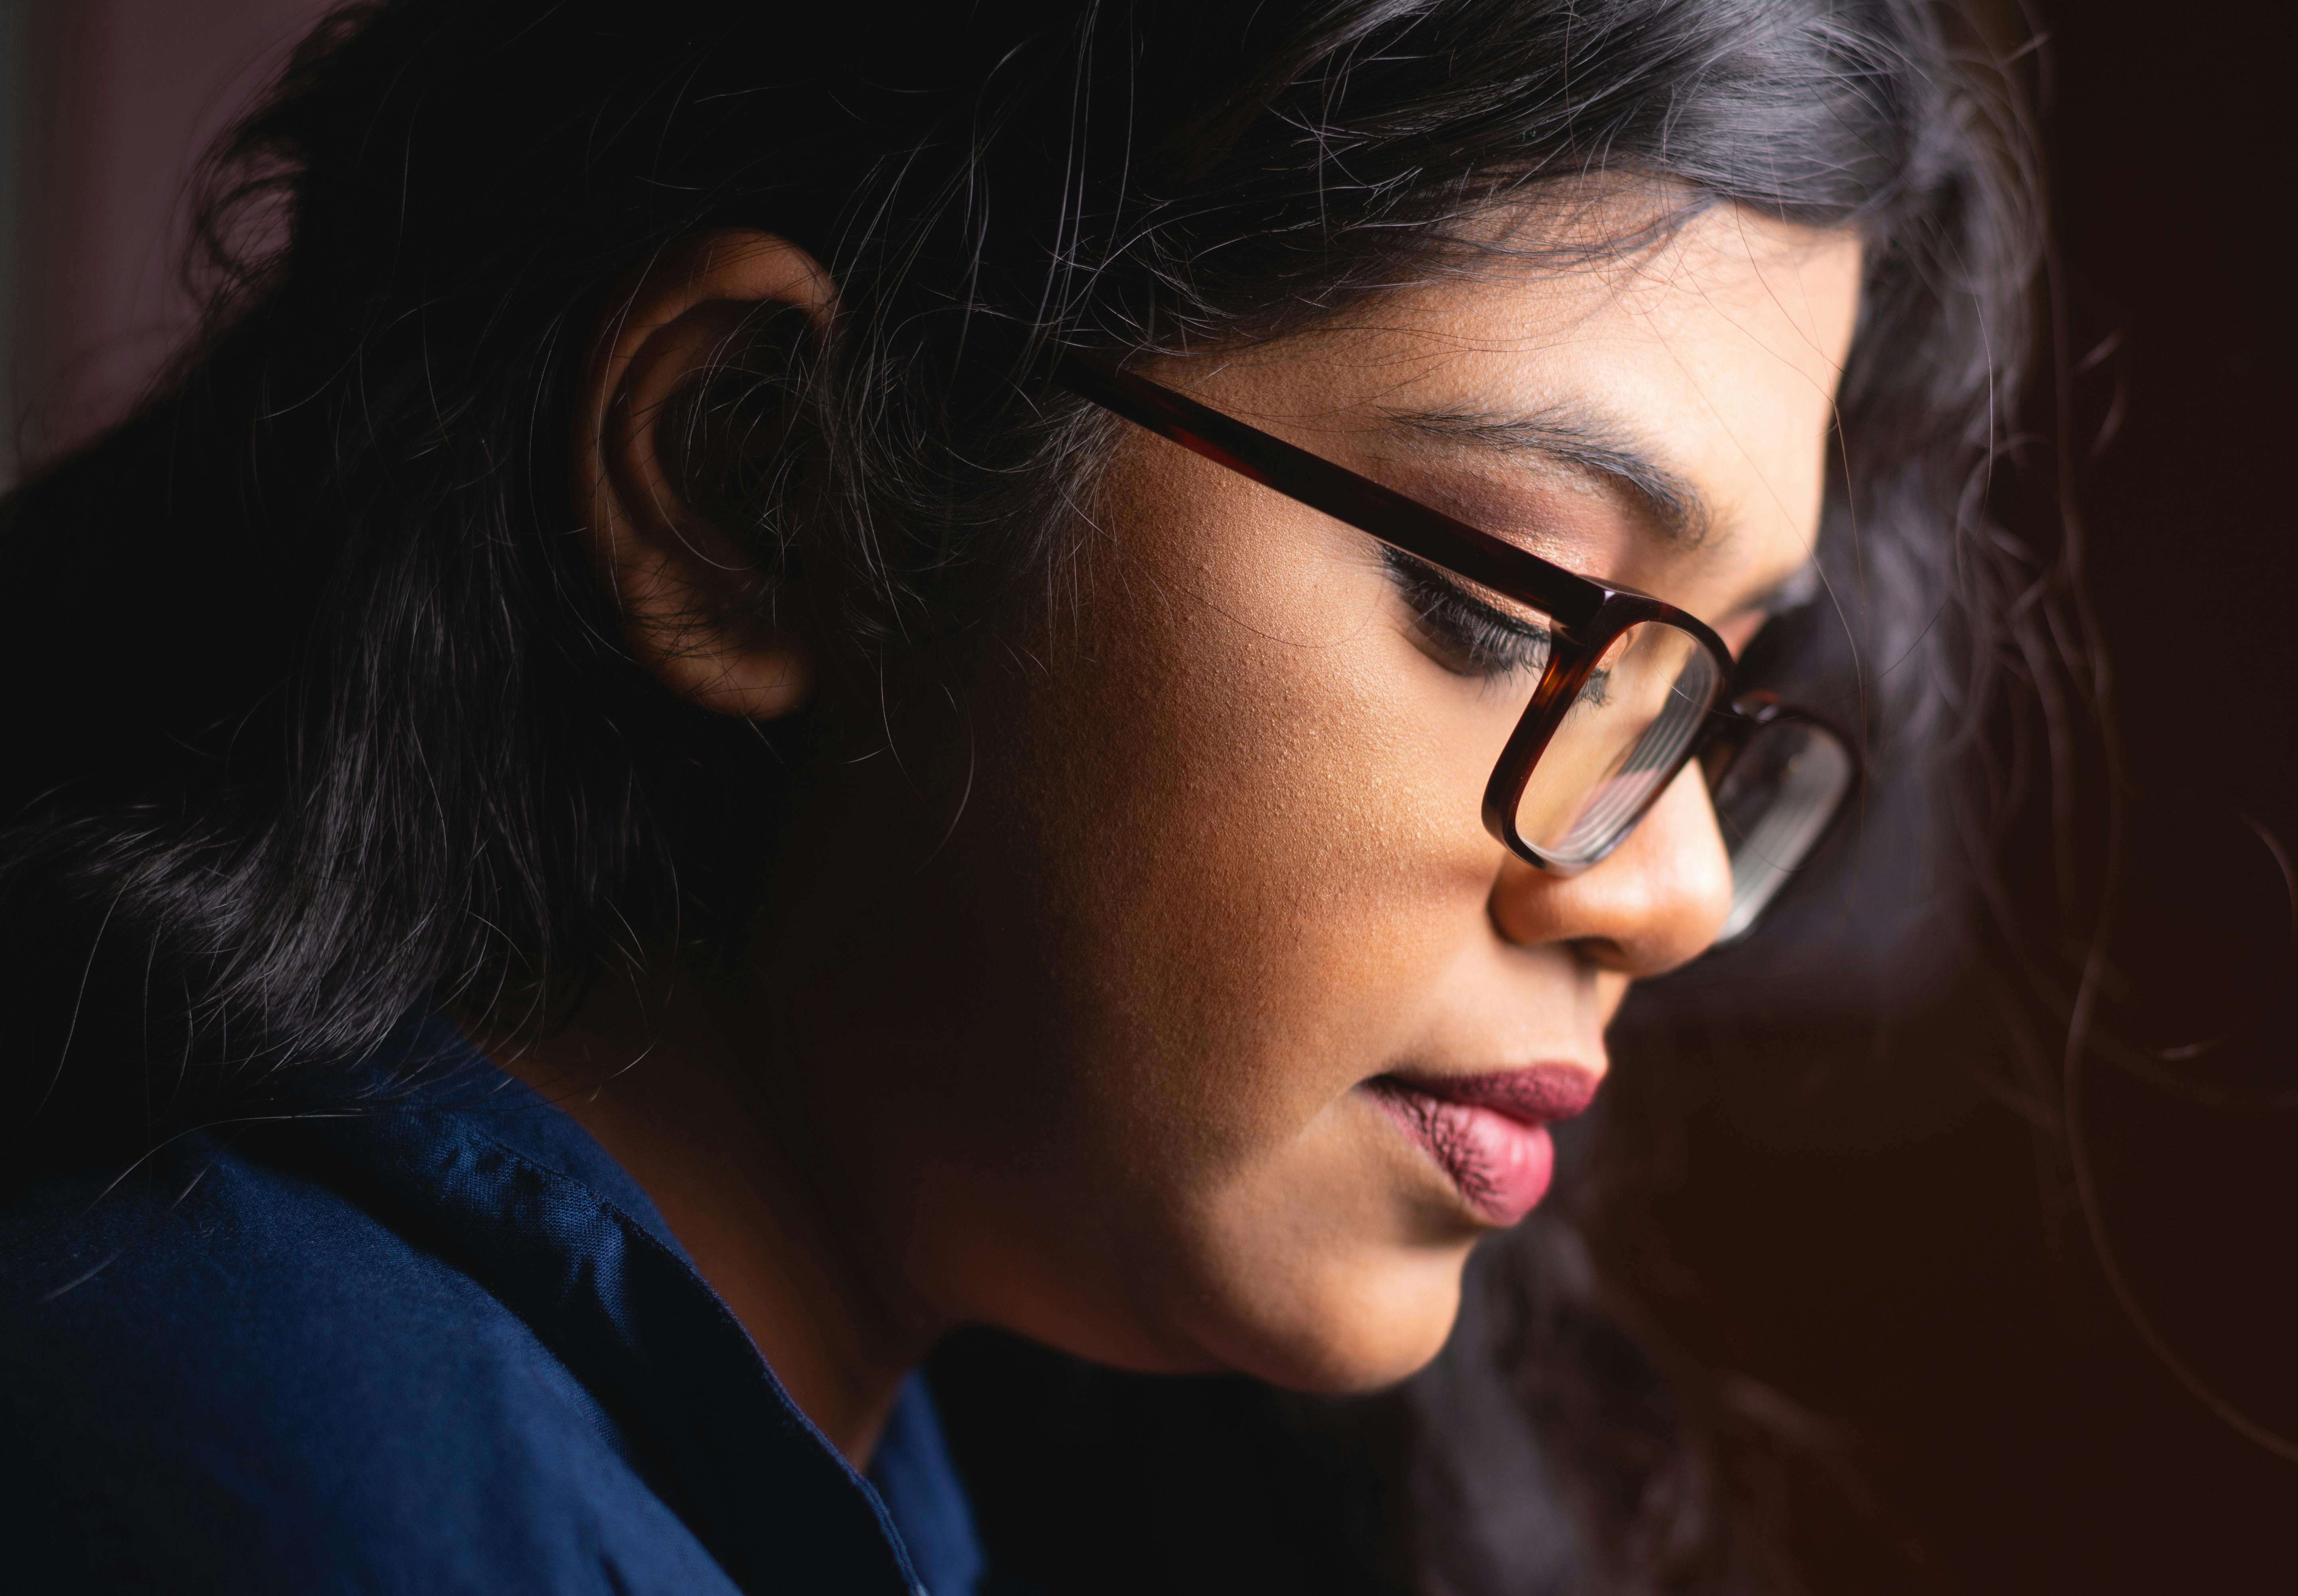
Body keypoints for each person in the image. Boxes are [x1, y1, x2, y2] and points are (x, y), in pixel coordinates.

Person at [0, 2, 2031, 1590]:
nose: (1670, 887)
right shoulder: (313, 1498)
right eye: (1513, 603)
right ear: (760, 477)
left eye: (1717, 684)